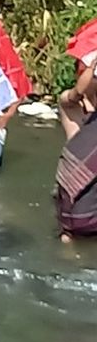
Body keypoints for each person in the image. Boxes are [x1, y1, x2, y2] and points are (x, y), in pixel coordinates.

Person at [56, 62, 97, 240]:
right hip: (75, 179)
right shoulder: (70, 103)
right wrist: (90, 67)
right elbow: (76, 93)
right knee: (70, 229)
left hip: (85, 178)